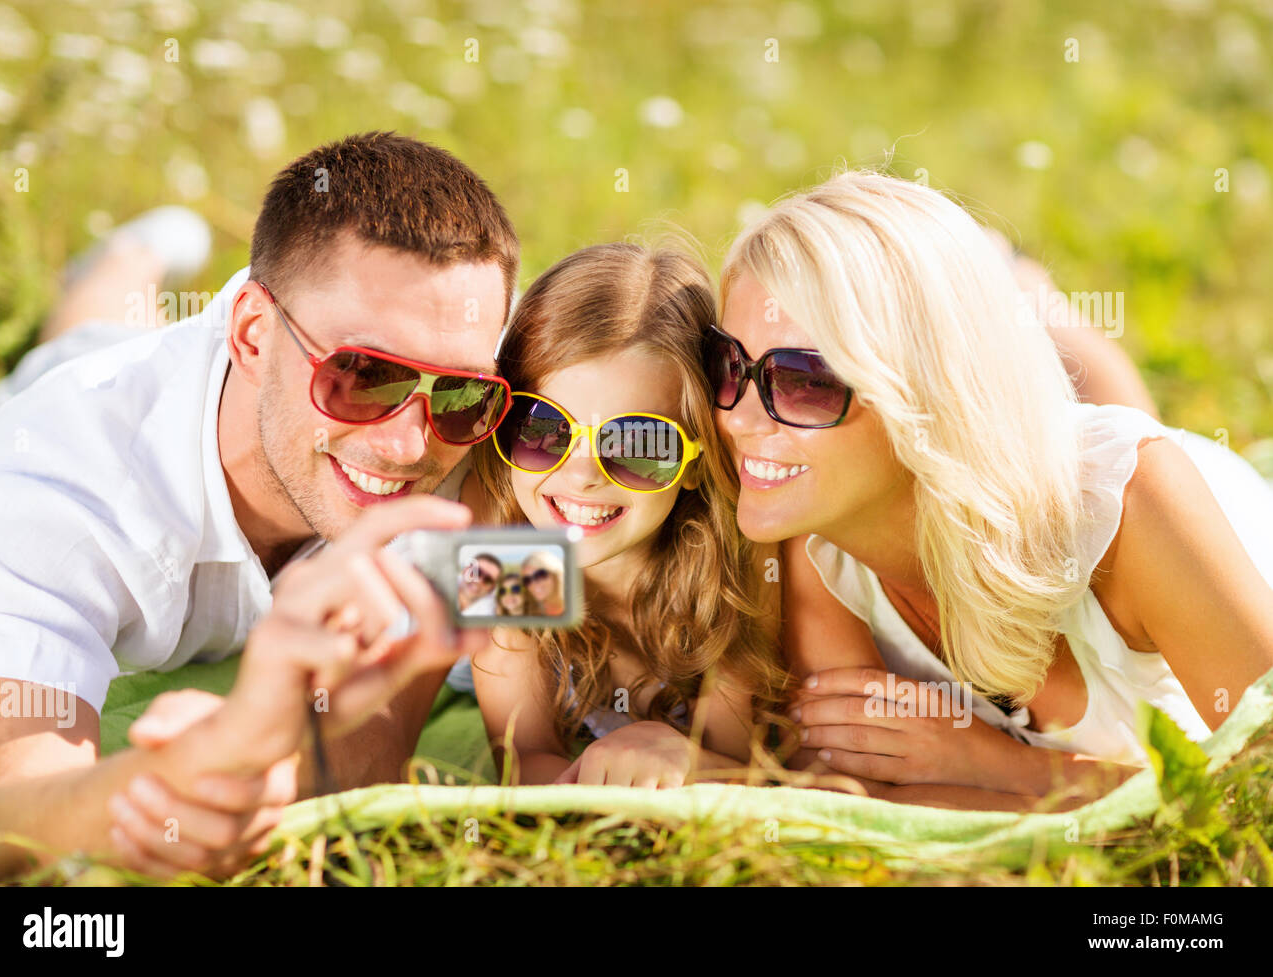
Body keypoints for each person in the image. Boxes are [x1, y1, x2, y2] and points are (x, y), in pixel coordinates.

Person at [0, 131, 519, 878]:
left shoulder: (492, 430)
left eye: (458, 391)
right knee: (87, 339)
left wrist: (256, 772)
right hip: (94, 386)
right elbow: (1, 817)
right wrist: (171, 790)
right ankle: (126, 259)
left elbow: (379, 745)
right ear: (252, 334)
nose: (408, 444)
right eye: (363, 375)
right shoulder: (49, 480)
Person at [710, 170, 1273, 810]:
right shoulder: (812, 530)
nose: (738, 417)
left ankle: (1027, 289)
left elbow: (1255, 801)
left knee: (1115, 416)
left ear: (920, 398)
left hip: (1203, 503)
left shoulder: (1139, 500)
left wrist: (997, 765)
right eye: (727, 364)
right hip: (1000, 457)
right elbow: (856, 790)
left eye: (803, 380)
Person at [468, 243, 793, 787]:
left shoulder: (736, 555)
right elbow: (523, 764)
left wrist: (681, 762)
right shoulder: (504, 542)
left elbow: (737, 765)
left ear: (696, 458)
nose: (583, 475)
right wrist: (601, 768)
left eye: (638, 442)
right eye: (542, 429)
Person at [520, 550, 565, 616]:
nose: (533, 584)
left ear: (555, 575)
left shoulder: (576, 605)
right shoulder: (532, 611)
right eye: (527, 580)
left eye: (540, 575)